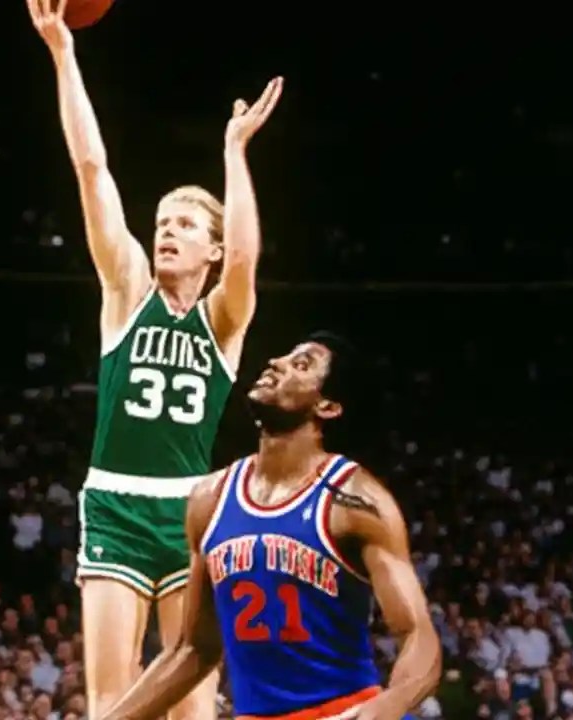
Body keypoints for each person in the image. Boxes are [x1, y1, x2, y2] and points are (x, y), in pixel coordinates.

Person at [25, 0, 284, 717]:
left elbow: (250, 259)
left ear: (213, 248)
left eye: (184, 226)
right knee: (111, 703)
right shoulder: (126, 290)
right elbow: (91, 166)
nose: (166, 232)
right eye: (162, 222)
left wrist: (233, 154)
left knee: (193, 709)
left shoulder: (224, 320)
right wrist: (63, 52)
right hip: (113, 504)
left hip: (190, 517)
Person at [100, 333, 443, 720]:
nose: (276, 361)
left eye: (301, 365)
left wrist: (386, 707)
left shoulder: (354, 500)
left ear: (327, 406)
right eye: (284, 354)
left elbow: (418, 636)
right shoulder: (209, 498)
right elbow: (193, 649)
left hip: (345, 710)